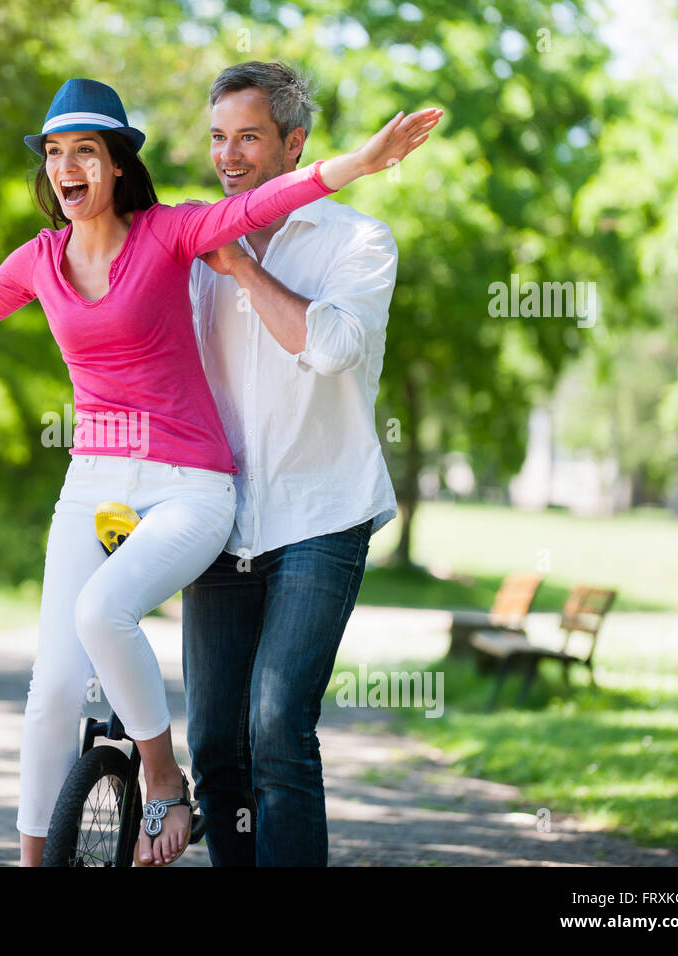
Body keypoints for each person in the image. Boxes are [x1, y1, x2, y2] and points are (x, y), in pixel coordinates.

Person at [0, 77, 440, 866]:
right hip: (111, 484)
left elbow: (271, 226)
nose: (67, 166)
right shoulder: (46, 259)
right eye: (55, 153)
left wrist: (358, 162)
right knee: (79, 695)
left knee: (219, 687)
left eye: (85, 150)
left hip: (237, 492)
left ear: (118, 162)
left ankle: (162, 779)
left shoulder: (202, 236)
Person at [183, 61, 410, 866]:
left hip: (323, 515)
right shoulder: (193, 247)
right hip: (217, 518)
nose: (230, 155)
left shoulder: (360, 241)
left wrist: (242, 264)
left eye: (249, 136)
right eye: (218, 138)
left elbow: (330, 346)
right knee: (214, 741)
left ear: (296, 143)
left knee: (276, 722)